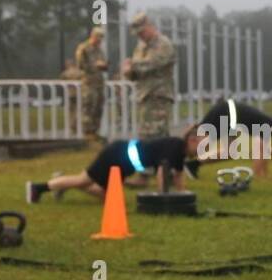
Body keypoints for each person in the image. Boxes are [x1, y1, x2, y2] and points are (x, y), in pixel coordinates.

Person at [25, 129, 201, 202]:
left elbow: (178, 177)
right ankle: (37, 188)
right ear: (192, 140)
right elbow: (162, 174)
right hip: (117, 154)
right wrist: (165, 201)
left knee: (107, 197)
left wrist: (183, 196)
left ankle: (62, 182)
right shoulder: (176, 146)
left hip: (126, 163)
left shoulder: (181, 153)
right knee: (83, 180)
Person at [195, 97, 272, 178]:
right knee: (199, 147)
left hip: (230, 116)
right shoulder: (269, 126)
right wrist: (260, 176)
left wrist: (266, 174)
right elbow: (259, 152)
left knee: (230, 152)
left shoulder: (269, 124)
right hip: (227, 112)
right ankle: (183, 160)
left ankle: (193, 164)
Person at [121, 11, 176, 139]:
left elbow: (152, 63)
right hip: (144, 97)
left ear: (150, 26)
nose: (140, 36)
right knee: (145, 137)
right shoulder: (141, 47)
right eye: (138, 34)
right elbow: (135, 73)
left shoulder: (163, 44)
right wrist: (129, 71)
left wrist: (132, 65)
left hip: (159, 98)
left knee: (157, 137)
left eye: (142, 32)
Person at [74, 26, 109, 141]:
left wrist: (104, 65)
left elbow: (105, 64)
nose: (100, 40)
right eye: (98, 38)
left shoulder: (99, 50)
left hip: (99, 83)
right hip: (89, 83)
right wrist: (95, 65)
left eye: (101, 38)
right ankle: (87, 133)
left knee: (98, 107)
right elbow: (81, 65)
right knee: (89, 107)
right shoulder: (83, 48)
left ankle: (95, 131)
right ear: (93, 36)